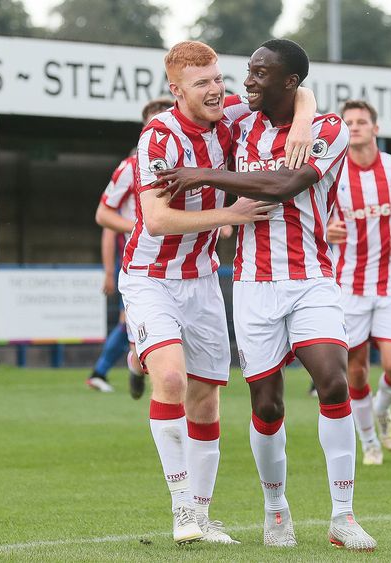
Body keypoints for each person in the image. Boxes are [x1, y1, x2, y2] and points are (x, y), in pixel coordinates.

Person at [156, 39, 377, 552]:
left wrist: (203, 174)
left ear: (289, 82)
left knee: (334, 382)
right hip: (253, 285)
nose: (247, 82)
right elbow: (196, 109)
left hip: (311, 279)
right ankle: (276, 509)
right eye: (249, 72)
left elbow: (284, 184)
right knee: (268, 403)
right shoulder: (241, 123)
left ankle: (343, 516)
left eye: (259, 74)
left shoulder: (328, 129)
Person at [121, 40, 314, 545]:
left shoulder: (229, 116)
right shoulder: (158, 137)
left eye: (217, 79)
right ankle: (182, 509)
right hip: (150, 276)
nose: (215, 90)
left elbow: (298, 90)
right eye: (201, 83)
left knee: (206, 402)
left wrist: (301, 122)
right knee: (171, 378)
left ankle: (203, 517)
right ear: (175, 90)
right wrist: (231, 214)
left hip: (204, 279)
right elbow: (156, 219)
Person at [326, 99, 391, 466]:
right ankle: (369, 443)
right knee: (355, 368)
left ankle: (381, 410)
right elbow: (315, 218)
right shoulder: (333, 171)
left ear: (375, 129)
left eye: (361, 121)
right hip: (348, 286)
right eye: (348, 122)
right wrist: (327, 230)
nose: (354, 127)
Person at [88, 97, 174, 397]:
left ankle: (128, 369)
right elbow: (104, 218)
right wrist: (109, 270)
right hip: (142, 267)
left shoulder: (187, 160)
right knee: (134, 333)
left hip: (186, 267)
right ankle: (118, 369)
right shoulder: (132, 167)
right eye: (154, 122)